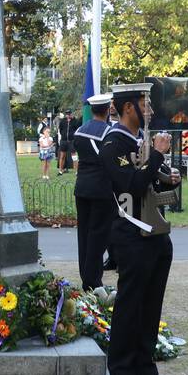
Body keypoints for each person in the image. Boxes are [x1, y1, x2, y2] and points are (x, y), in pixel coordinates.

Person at [100, 82, 181, 375]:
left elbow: (149, 180)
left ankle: (145, 368)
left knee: (151, 305)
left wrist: (167, 174)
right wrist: (157, 154)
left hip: (155, 233)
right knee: (130, 305)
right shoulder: (112, 145)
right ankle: (121, 371)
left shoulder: (138, 141)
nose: (149, 107)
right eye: (143, 102)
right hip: (131, 234)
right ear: (128, 107)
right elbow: (130, 185)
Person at [73, 93, 115, 291]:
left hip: (82, 188)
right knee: (98, 237)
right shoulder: (109, 131)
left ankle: (86, 276)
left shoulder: (80, 130)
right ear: (107, 109)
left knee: (84, 235)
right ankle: (93, 281)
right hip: (101, 190)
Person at [57, 110, 77, 175]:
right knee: (62, 156)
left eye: (69, 114)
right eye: (67, 114)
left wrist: (73, 135)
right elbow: (60, 130)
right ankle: (60, 171)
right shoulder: (62, 121)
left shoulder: (74, 121)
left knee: (74, 156)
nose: (68, 115)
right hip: (64, 141)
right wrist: (63, 135)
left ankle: (76, 171)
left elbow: (77, 128)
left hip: (72, 141)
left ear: (71, 114)